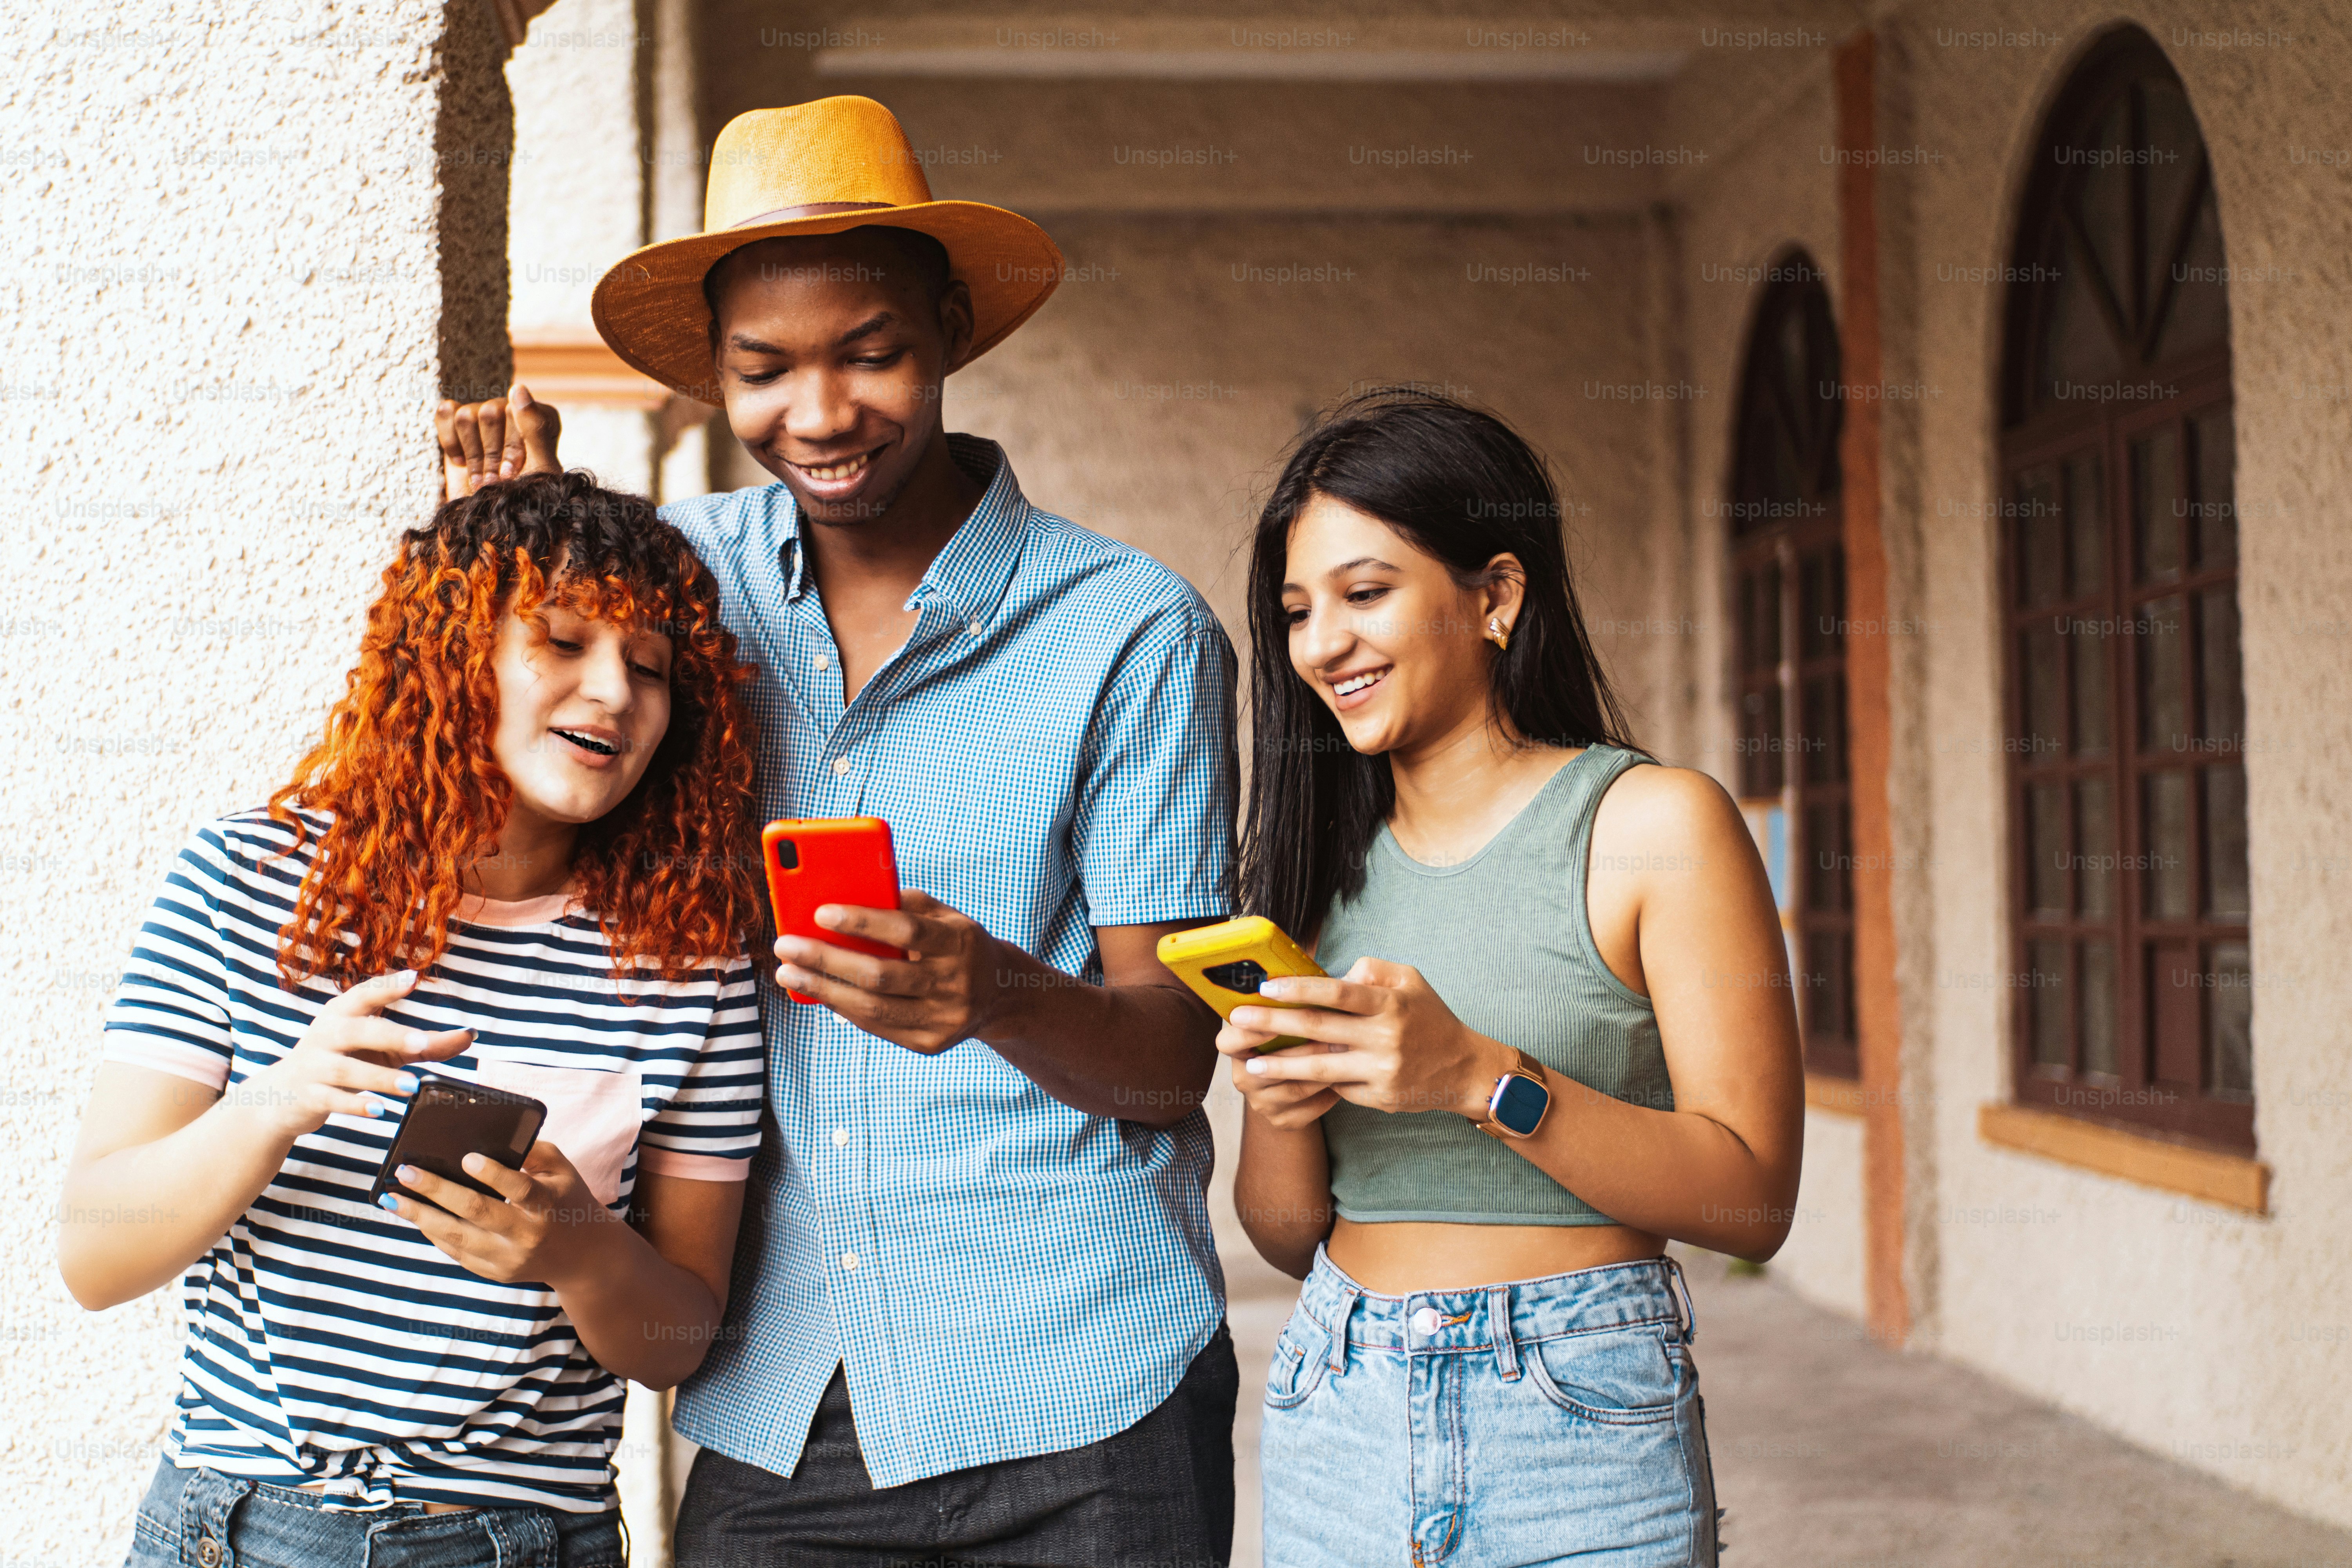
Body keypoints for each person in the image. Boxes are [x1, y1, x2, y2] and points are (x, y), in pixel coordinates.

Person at [440, 96, 1240, 1565]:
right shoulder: (678, 591)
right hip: (778, 1394)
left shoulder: (1130, 633)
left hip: (1086, 1390)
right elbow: (530, 784)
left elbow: (1170, 1052)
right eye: (765, 370)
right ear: (718, 382)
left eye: (869, 352)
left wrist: (993, 989)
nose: (818, 413)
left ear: (946, 330)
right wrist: (522, 558)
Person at [59, 474, 769, 1566]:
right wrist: (277, 1105)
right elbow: (95, 1256)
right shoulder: (247, 880)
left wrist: (578, 1251)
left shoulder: (689, 956)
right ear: (457, 653)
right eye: (565, 641)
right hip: (237, 1530)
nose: (615, 692)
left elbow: (678, 1340)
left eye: (649, 668)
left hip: (524, 1541)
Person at [1220, 390, 1805, 1566]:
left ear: (1496, 595)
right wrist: (1279, 1114)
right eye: (1297, 611)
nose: (1322, 643)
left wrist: (1482, 1079)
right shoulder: (1309, 868)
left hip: (1579, 1411)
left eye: (1365, 593)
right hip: (1339, 1395)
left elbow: (1755, 1200)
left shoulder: (1652, 825)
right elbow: (1285, 1235)